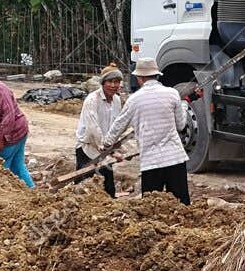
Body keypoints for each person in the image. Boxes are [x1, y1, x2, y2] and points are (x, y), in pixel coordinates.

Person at [100, 56, 191, 204]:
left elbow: (119, 125)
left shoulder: (134, 99)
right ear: (157, 75)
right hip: (175, 158)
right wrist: (184, 105)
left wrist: (106, 144)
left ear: (139, 78)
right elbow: (181, 126)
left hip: (151, 161)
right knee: (181, 205)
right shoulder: (172, 94)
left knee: (150, 207)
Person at [73, 64, 125, 196]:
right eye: (110, 82)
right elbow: (93, 128)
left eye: (117, 82)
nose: (113, 85)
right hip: (88, 149)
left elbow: (116, 126)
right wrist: (105, 147)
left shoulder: (117, 100)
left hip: (105, 150)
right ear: (103, 83)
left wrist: (116, 149)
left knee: (108, 189)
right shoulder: (92, 100)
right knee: (84, 189)